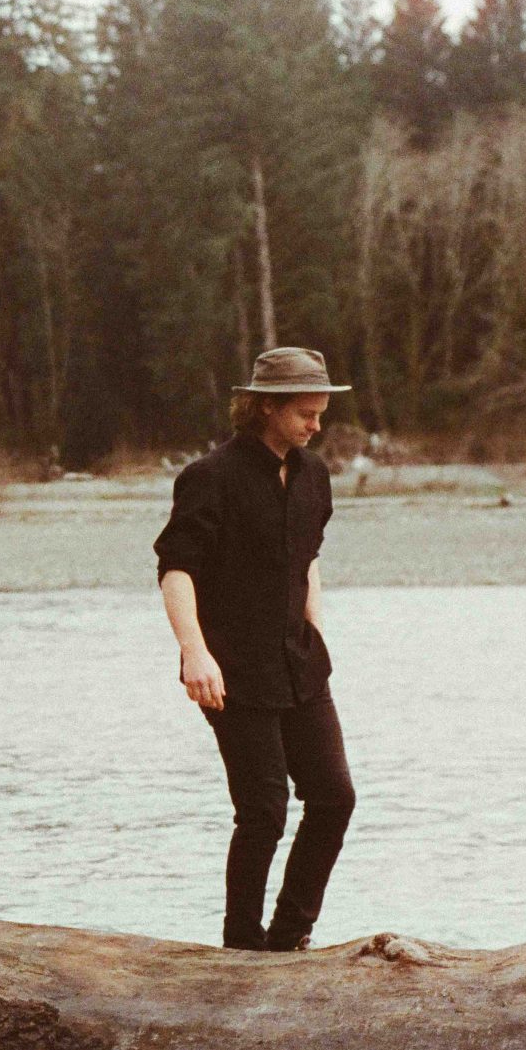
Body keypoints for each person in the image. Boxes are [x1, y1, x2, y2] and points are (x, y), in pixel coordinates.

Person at [153, 347, 357, 952]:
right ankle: (241, 946)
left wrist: (314, 626)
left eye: (320, 413)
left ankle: (290, 938)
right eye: (304, 414)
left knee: (334, 798)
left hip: (300, 662)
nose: (316, 425)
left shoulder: (314, 475)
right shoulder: (210, 477)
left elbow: (307, 559)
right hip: (232, 670)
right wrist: (194, 653)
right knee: (264, 810)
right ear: (266, 407)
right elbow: (176, 570)